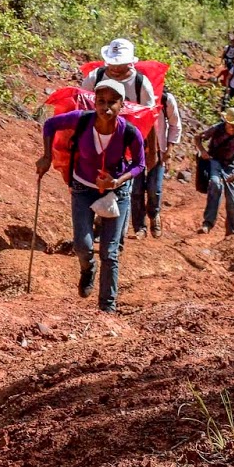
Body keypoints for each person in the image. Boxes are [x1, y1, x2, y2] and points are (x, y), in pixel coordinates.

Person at [35, 81, 147, 313]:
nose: (105, 108)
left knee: (109, 251)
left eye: (112, 103)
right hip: (83, 188)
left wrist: (118, 180)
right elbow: (50, 125)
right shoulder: (82, 120)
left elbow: (139, 164)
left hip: (116, 191)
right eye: (101, 102)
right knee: (83, 246)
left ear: (122, 105)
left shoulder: (129, 132)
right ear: (95, 102)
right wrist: (46, 157)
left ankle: (107, 306)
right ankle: (88, 269)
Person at [133, 86, 181, 239]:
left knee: (155, 188)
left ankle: (154, 215)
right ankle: (140, 227)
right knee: (136, 190)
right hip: (136, 150)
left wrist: (170, 149)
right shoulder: (132, 97)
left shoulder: (166, 99)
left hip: (158, 149)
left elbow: (175, 125)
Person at [196, 108, 234, 237]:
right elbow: (198, 138)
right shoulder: (217, 129)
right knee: (215, 184)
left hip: (230, 165)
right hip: (214, 161)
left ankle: (231, 231)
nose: (232, 127)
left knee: (232, 200)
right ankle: (208, 223)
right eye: (230, 124)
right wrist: (202, 151)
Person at [80, 37, 157, 107]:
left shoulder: (141, 83)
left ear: (129, 63)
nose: (115, 68)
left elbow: (148, 113)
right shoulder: (95, 77)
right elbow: (81, 102)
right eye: (112, 63)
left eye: (120, 64)